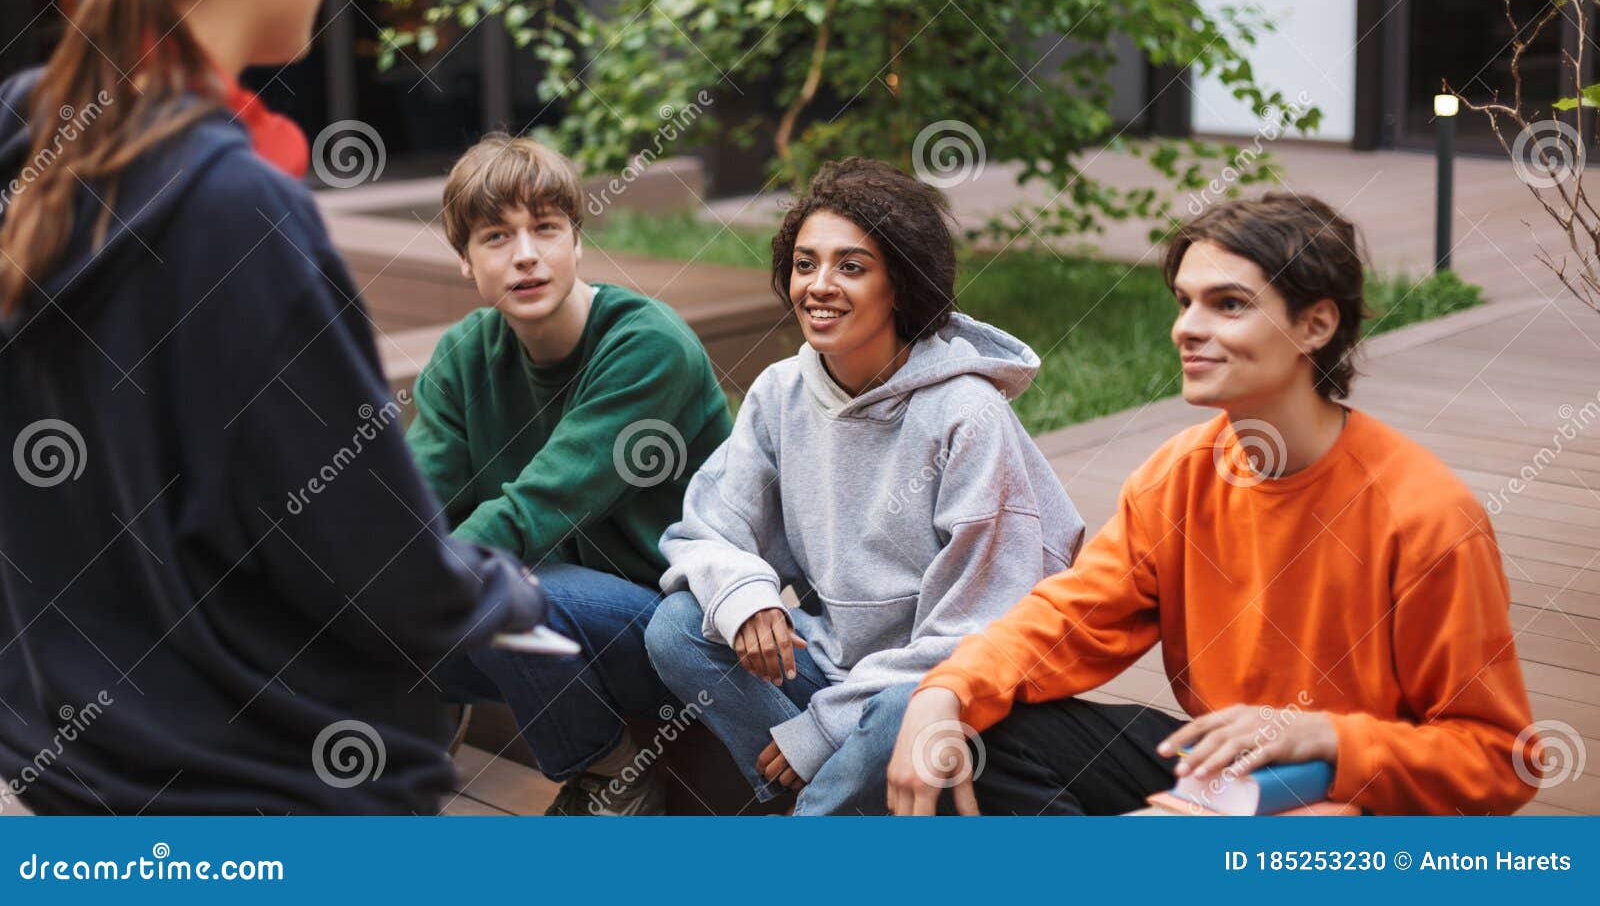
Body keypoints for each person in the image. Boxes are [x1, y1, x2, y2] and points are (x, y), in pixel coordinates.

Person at [0, 0, 545, 816]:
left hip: (74, 765)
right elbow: (367, 555)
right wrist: (500, 591)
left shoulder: (31, 133)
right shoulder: (235, 209)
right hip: (269, 793)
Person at [888, 193, 1538, 816]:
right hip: (1231, 782)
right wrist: (948, 690)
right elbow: (1066, 620)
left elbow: (1500, 760)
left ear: (1316, 323)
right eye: (1184, 302)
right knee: (970, 741)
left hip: (1370, 805)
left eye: (1228, 304)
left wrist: (1329, 738)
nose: (1187, 328)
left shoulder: (1427, 516)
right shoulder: (1178, 476)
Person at [644, 158, 1085, 815]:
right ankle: (817, 802)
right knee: (680, 624)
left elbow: (981, 627)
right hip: (836, 659)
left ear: (901, 285)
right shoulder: (781, 392)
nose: (818, 286)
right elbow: (709, 527)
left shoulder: (967, 414)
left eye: (851, 266)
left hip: (942, 682)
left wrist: (822, 729)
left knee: (906, 706)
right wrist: (746, 596)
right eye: (804, 263)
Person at [409, 134, 733, 815]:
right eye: (496, 236)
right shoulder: (465, 355)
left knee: (497, 583)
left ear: (577, 242)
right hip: (549, 623)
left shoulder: (647, 346)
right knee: (368, 594)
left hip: (678, 628)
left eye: (546, 228)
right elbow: (415, 512)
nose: (525, 254)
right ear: (466, 261)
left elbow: (540, 505)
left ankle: (612, 773)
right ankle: (408, 747)